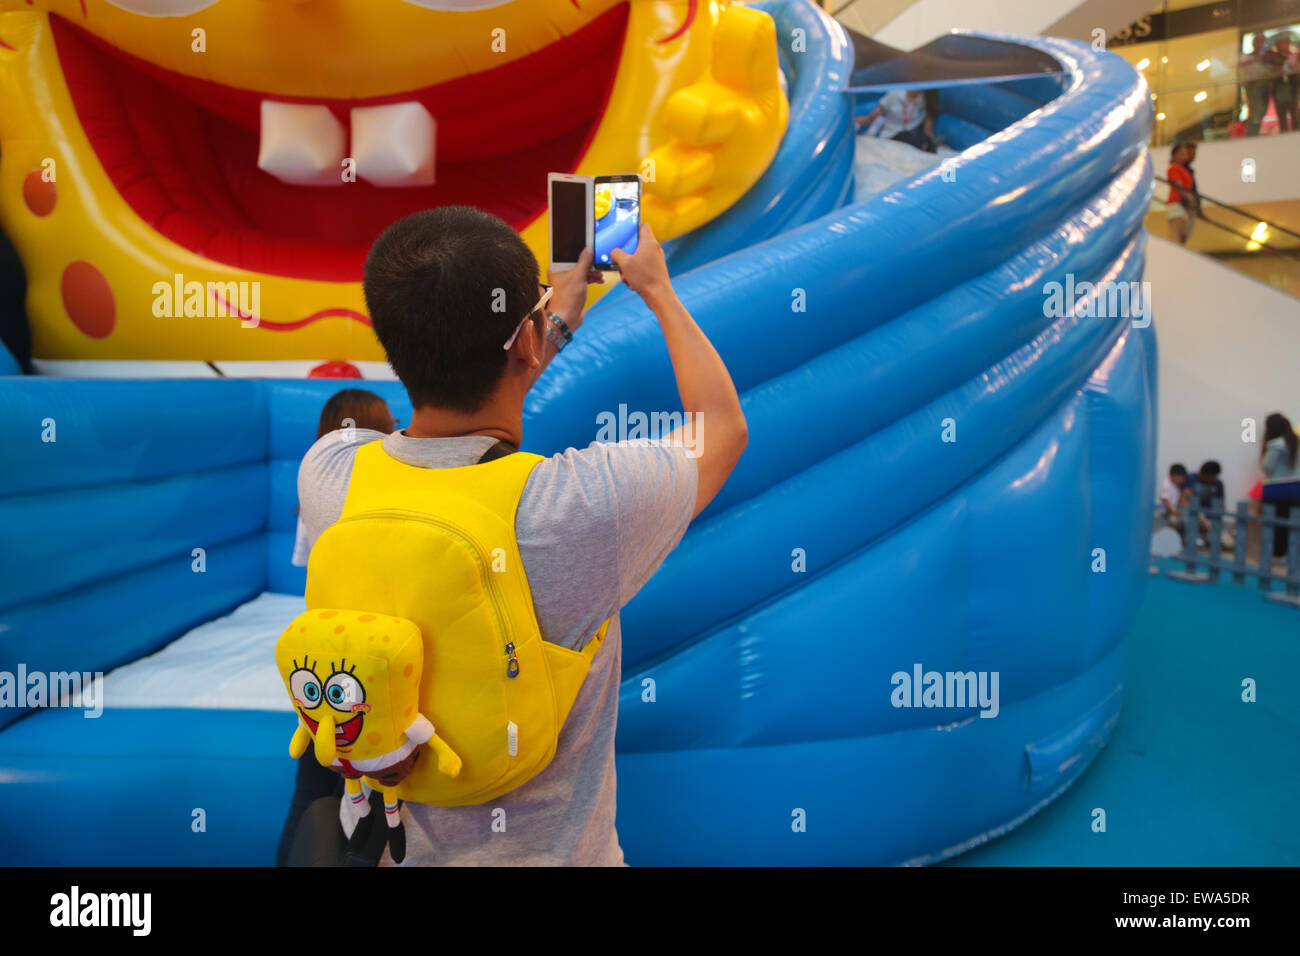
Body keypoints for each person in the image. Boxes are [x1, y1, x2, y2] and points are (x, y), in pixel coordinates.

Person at [293, 206, 747, 866]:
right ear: (525, 344)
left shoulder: (330, 474)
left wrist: (550, 322)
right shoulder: (580, 507)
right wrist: (657, 290)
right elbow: (722, 428)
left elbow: (454, 408)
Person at [289, 389, 397, 568]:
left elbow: (306, 557)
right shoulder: (387, 477)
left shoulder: (313, 480)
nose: (393, 432)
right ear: (374, 430)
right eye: (391, 424)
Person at [1260, 412, 1300, 558]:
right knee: (1291, 523)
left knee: (1274, 524)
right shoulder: (1296, 441)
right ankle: (1289, 554)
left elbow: (1268, 467)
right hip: (1296, 487)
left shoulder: (1276, 444)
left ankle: (1275, 553)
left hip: (1276, 488)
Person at [858, 87, 938, 152]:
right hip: (891, 136)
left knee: (922, 140)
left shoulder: (926, 99)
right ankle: (875, 128)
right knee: (911, 138)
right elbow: (869, 119)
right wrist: (852, 121)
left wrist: (930, 143)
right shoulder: (895, 94)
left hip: (912, 137)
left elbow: (928, 132)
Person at [1166, 141, 1200, 245]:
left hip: (1182, 205)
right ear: (1174, 155)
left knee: (1181, 237)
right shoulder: (1174, 168)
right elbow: (1178, 186)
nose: (1184, 156)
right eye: (1181, 154)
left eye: (1185, 154)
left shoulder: (1183, 169)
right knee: (1176, 235)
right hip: (1176, 203)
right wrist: (1190, 198)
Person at [1239, 34, 1273, 136]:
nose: (1261, 44)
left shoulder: (1269, 56)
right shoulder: (1248, 56)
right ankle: (1252, 133)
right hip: (1254, 86)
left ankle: (1255, 131)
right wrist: (1256, 59)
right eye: (1259, 41)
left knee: (1263, 110)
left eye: (1263, 42)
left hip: (1266, 86)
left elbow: (1281, 61)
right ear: (1254, 43)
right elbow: (1241, 65)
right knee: (1256, 111)